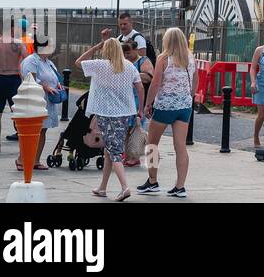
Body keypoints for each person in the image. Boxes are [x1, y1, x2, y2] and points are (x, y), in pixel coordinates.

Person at [77, 33, 144, 201]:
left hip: (106, 113)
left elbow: (78, 62)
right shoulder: (128, 66)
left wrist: (95, 47)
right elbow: (140, 87)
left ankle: (124, 187)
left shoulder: (100, 65)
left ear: (106, 50)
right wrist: (140, 108)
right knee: (109, 149)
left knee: (114, 151)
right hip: (124, 113)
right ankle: (102, 187)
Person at [138, 28, 195, 198]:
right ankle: (180, 186)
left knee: (151, 145)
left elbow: (155, 84)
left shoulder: (163, 58)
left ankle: (153, 181)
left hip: (165, 106)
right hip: (184, 107)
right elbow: (195, 82)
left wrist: (148, 104)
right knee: (181, 147)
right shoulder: (189, 58)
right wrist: (188, 97)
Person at [18, 38, 63, 172]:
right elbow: (30, 78)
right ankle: (22, 159)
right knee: (32, 131)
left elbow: (55, 77)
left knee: (42, 130)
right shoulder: (31, 61)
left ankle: (35, 160)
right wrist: (45, 87)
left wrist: (57, 84)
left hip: (47, 101)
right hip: (34, 100)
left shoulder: (48, 62)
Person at [122, 42, 155, 166]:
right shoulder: (126, 62)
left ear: (136, 50)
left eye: (128, 52)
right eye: (124, 53)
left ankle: (134, 156)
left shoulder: (143, 61)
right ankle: (127, 154)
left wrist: (132, 74)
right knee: (125, 127)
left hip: (137, 98)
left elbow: (149, 77)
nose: (126, 55)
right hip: (126, 97)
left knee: (134, 127)